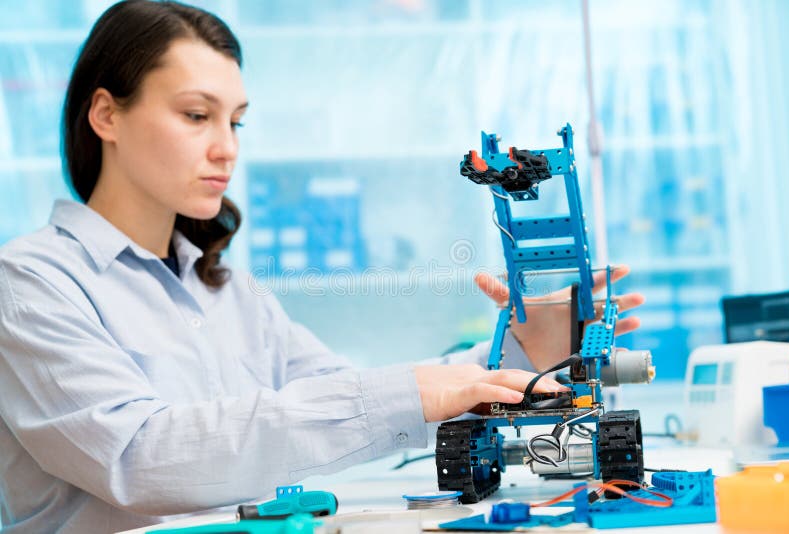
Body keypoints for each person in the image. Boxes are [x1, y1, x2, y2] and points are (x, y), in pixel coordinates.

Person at [0, 1, 644, 533]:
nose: (226, 148)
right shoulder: (30, 284)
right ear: (107, 114)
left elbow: (351, 400)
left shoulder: (223, 290)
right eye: (196, 116)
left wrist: (528, 356)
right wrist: (413, 393)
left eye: (236, 122)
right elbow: (140, 458)